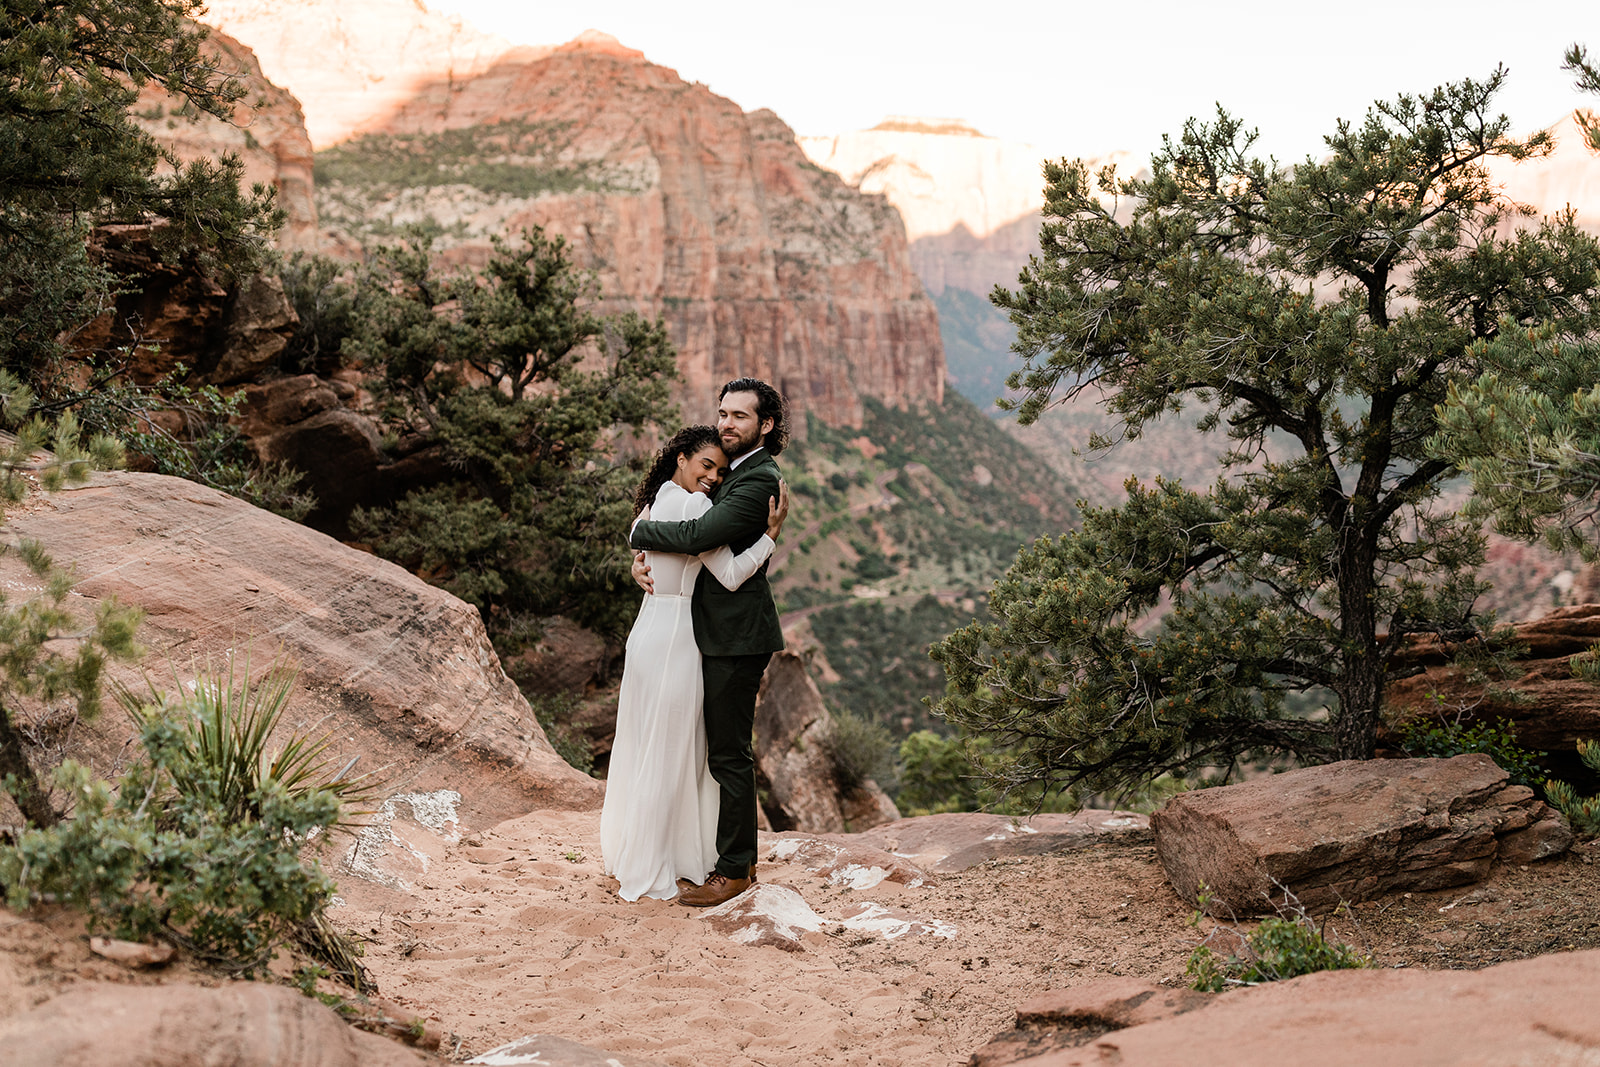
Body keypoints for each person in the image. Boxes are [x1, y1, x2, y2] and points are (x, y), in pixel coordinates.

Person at [601, 425, 787, 902]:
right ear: (681, 458)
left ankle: (639, 851)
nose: (713, 477)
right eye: (706, 465)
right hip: (680, 639)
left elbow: (641, 539)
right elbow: (727, 574)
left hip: (646, 633)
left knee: (644, 742)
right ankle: (683, 856)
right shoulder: (697, 508)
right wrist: (769, 537)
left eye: (721, 471)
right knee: (680, 750)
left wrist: (635, 544)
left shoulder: (654, 501)